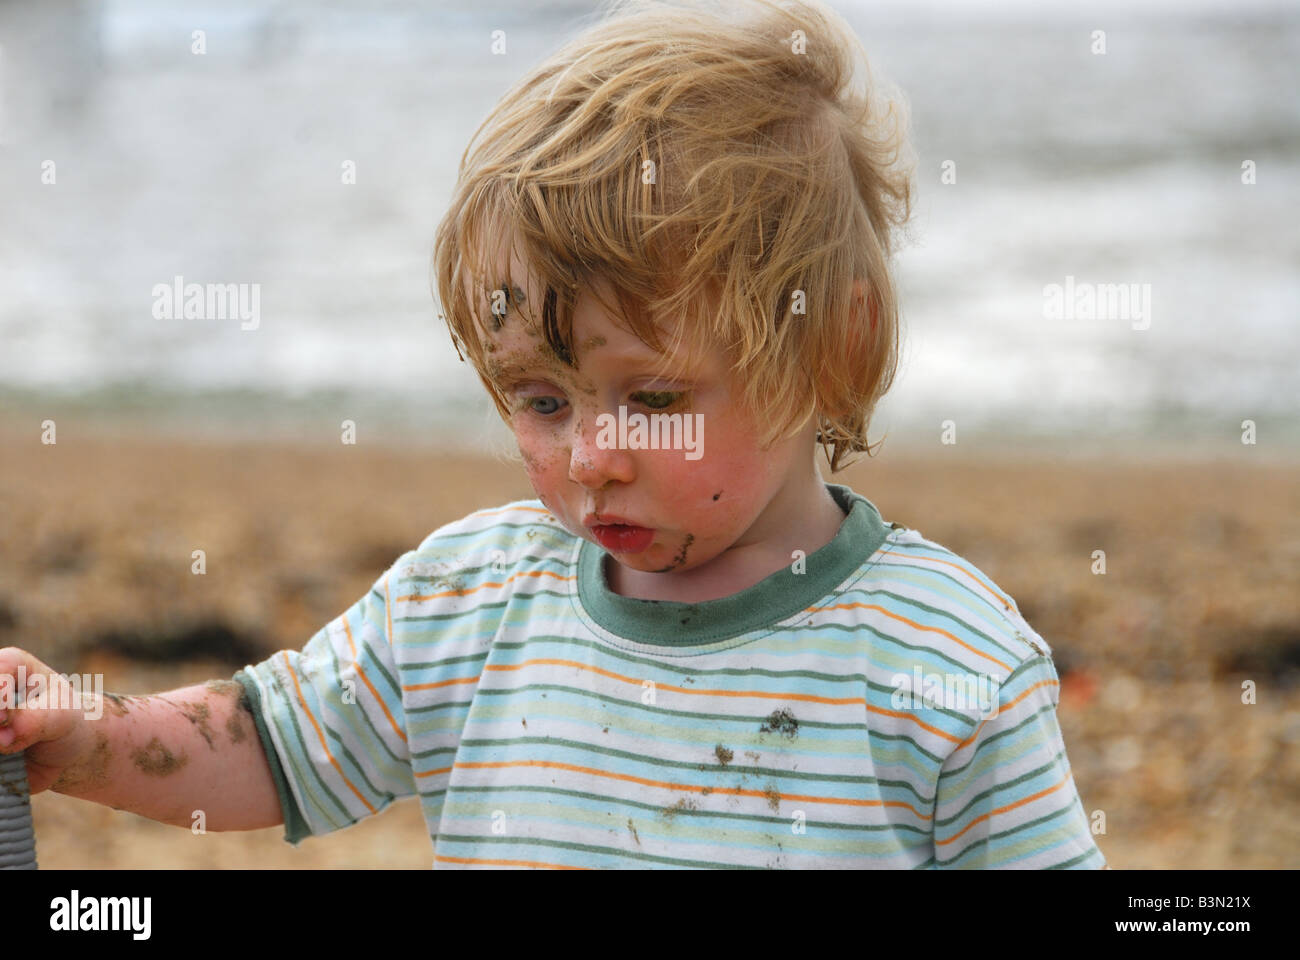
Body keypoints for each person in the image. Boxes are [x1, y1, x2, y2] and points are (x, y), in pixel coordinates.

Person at [0, 0, 1106, 869]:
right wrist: (89, 737)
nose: (590, 456)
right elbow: (272, 748)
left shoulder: (943, 660)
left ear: (830, 349)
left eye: (657, 399)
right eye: (540, 400)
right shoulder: (468, 603)